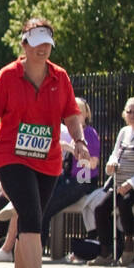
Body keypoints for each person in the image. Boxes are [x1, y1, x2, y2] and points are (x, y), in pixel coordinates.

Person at [0, 18, 85, 268]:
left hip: (47, 161)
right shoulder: (6, 77)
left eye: (47, 44)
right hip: (10, 157)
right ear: (25, 44)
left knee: (28, 222)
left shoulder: (61, 78)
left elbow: (71, 115)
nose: (43, 49)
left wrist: (79, 140)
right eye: (37, 43)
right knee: (32, 218)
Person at [40, 98, 101, 244]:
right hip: (68, 178)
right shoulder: (72, 133)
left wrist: (73, 150)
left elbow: (92, 164)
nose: (75, 114)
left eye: (79, 111)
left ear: (86, 114)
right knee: (41, 196)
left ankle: (37, 246)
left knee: (44, 209)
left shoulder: (89, 133)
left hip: (81, 181)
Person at [91, 97, 134, 265]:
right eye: (129, 111)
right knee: (100, 209)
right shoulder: (124, 132)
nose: (131, 115)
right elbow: (115, 153)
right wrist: (111, 163)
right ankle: (107, 249)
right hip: (118, 182)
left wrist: (130, 184)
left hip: (132, 185)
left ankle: (129, 242)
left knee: (124, 203)